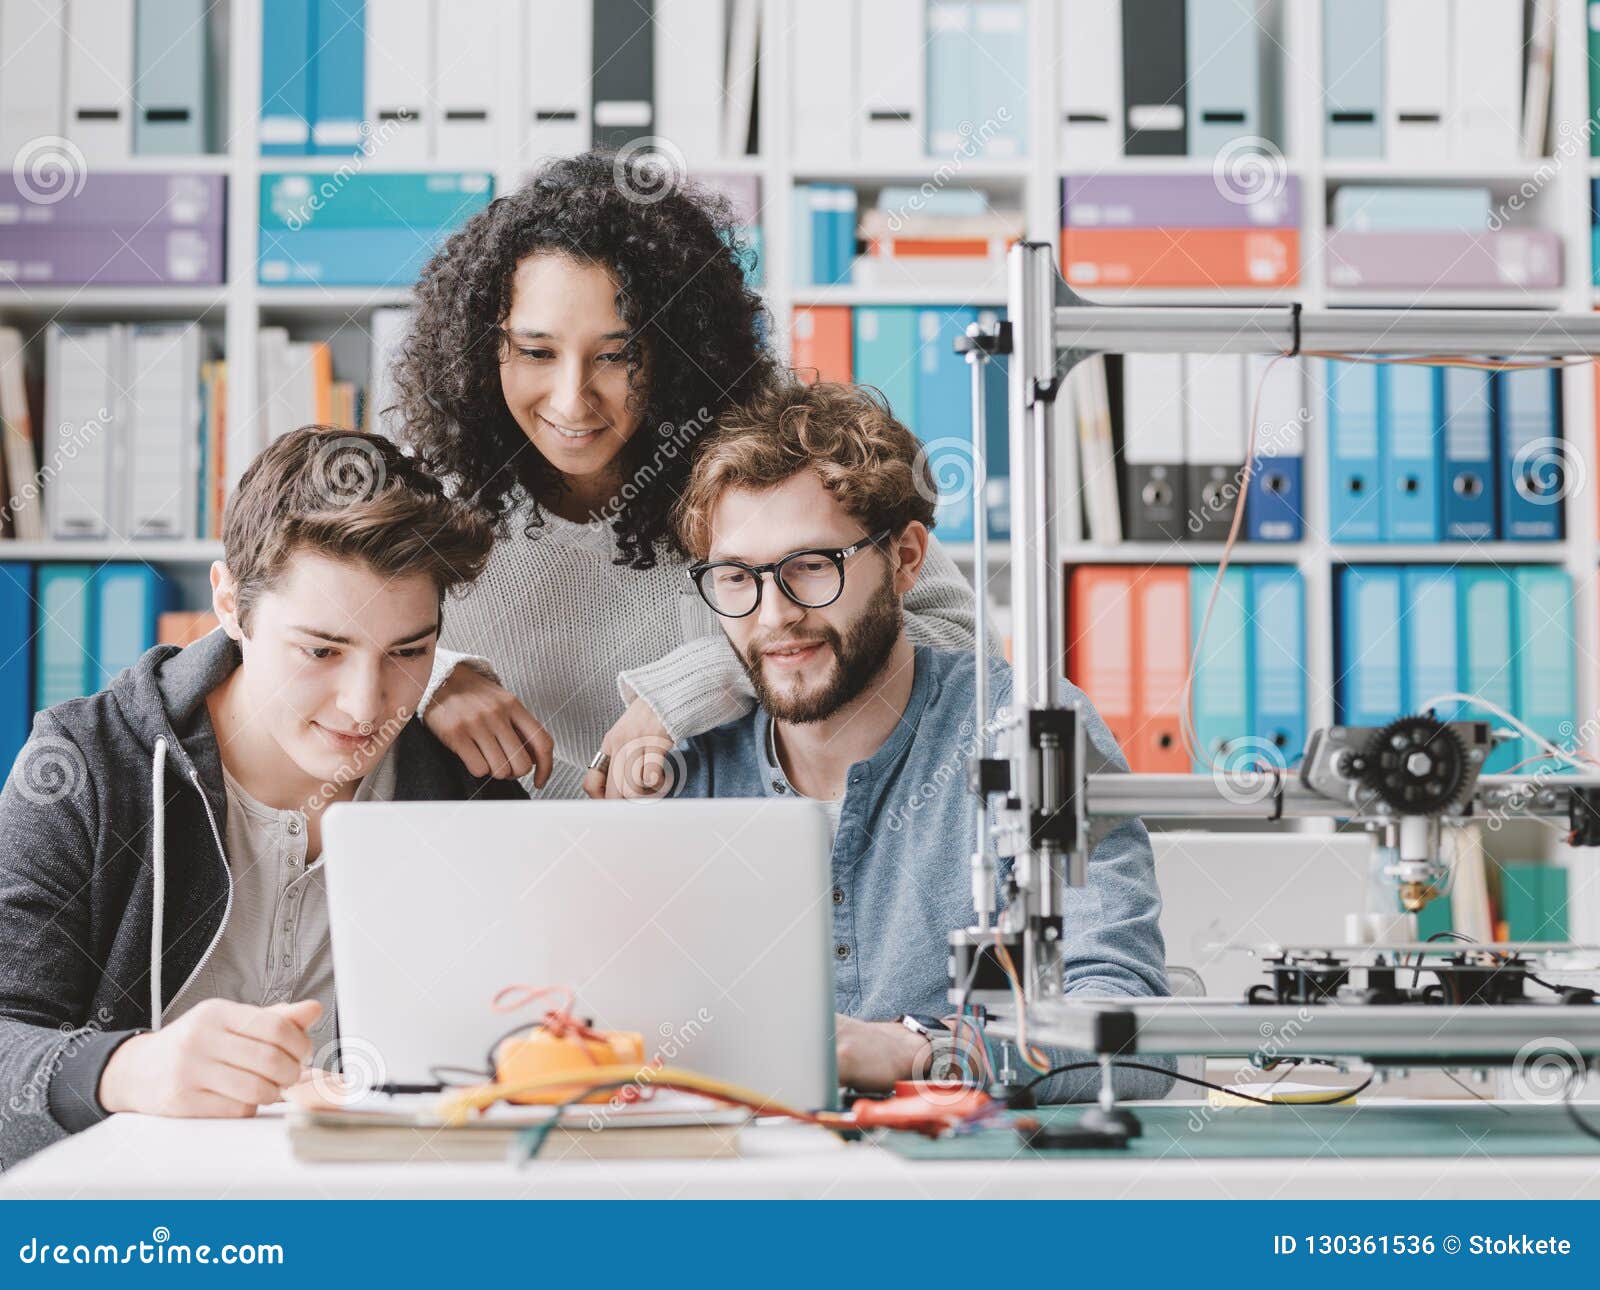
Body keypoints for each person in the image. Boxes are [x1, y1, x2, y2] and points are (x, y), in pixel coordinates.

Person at [0, 428, 524, 1170]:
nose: (364, 704)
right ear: (230, 605)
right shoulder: (85, 765)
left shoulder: (470, 792)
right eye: (321, 650)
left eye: (408, 652)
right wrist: (125, 1071)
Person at [395, 152, 982, 800]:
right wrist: (428, 676)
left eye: (616, 355)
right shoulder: (430, 484)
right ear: (486, 349)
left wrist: (717, 671)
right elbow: (286, 639)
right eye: (536, 352)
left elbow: (962, 644)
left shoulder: (767, 456)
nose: (571, 400)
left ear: (675, 349)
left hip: (723, 850)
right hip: (505, 865)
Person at [665, 381, 1171, 1102]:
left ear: (905, 560)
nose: (774, 615)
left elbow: (1131, 1038)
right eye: (739, 577)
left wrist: (922, 1056)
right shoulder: (689, 779)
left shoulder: (1025, 732)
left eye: (812, 567)